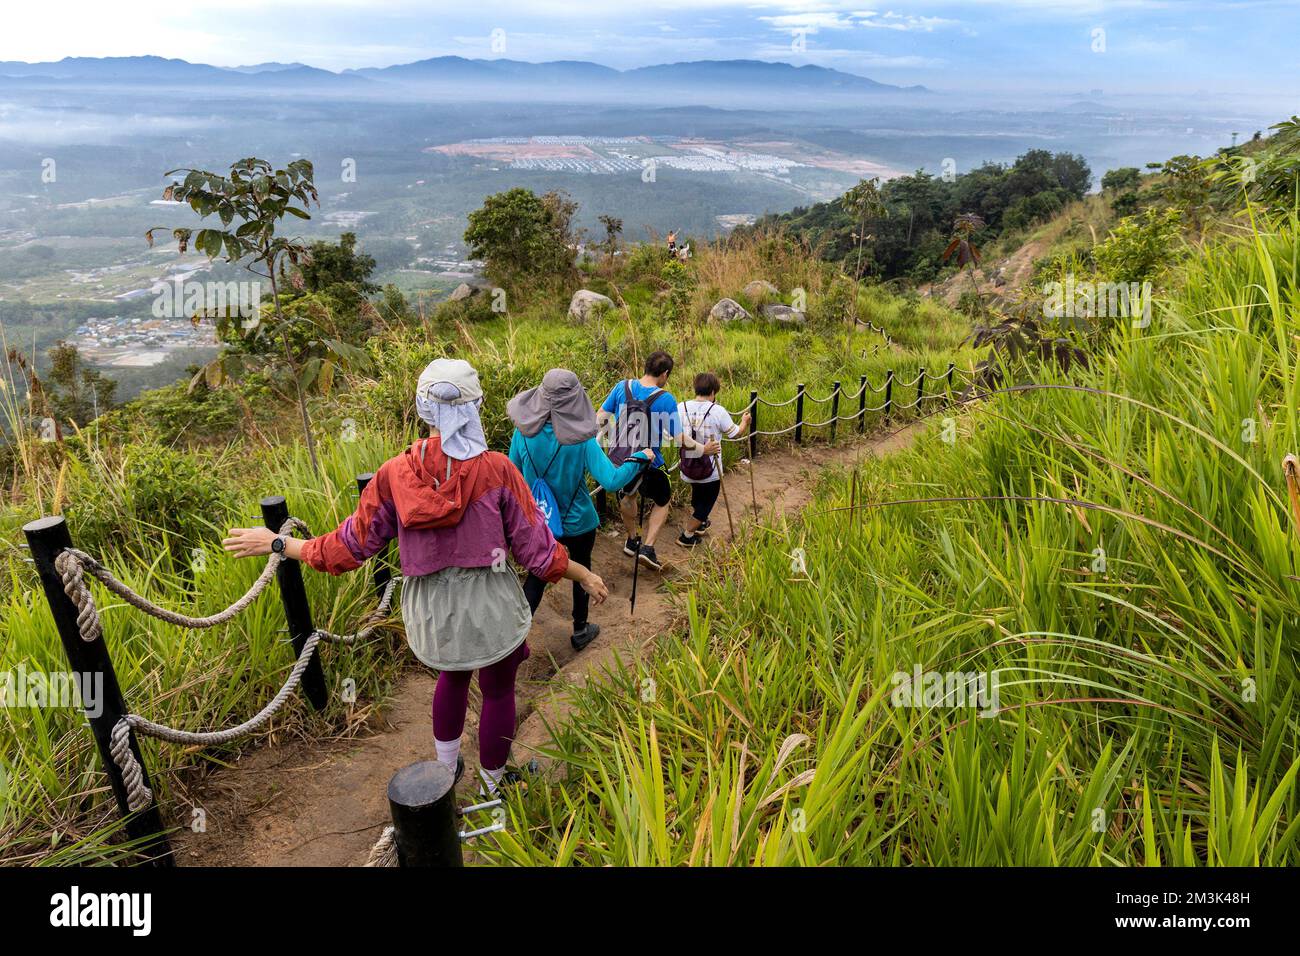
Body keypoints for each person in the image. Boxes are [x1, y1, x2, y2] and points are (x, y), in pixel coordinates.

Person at [222, 358, 608, 795]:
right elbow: (538, 554)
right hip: (491, 604)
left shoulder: (393, 475)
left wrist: (278, 543)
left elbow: (349, 547)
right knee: (499, 692)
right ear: (474, 405)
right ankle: (492, 786)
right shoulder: (496, 470)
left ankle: (443, 776)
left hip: (430, 608)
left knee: (452, 677)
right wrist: (584, 575)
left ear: (423, 407)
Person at [507, 368, 653, 650]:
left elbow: (512, 475)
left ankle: (514, 638)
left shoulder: (522, 433)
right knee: (582, 569)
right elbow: (610, 481)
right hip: (578, 521)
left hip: (539, 522)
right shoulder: (582, 439)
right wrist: (638, 459)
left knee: (538, 575)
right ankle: (580, 628)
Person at [596, 350, 719, 571]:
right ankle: (648, 547)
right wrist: (704, 449)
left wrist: (613, 442)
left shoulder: (621, 387)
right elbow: (680, 439)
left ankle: (632, 539)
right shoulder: (665, 399)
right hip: (651, 462)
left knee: (628, 495)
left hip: (622, 460)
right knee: (663, 500)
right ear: (664, 373)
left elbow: (601, 418)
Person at [676, 371, 751, 547]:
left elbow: (670, 434)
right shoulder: (718, 411)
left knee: (697, 493)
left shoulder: (681, 407)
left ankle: (700, 524)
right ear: (713, 391)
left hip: (687, 466)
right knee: (706, 504)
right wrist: (745, 422)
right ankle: (687, 536)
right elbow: (735, 433)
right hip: (711, 468)